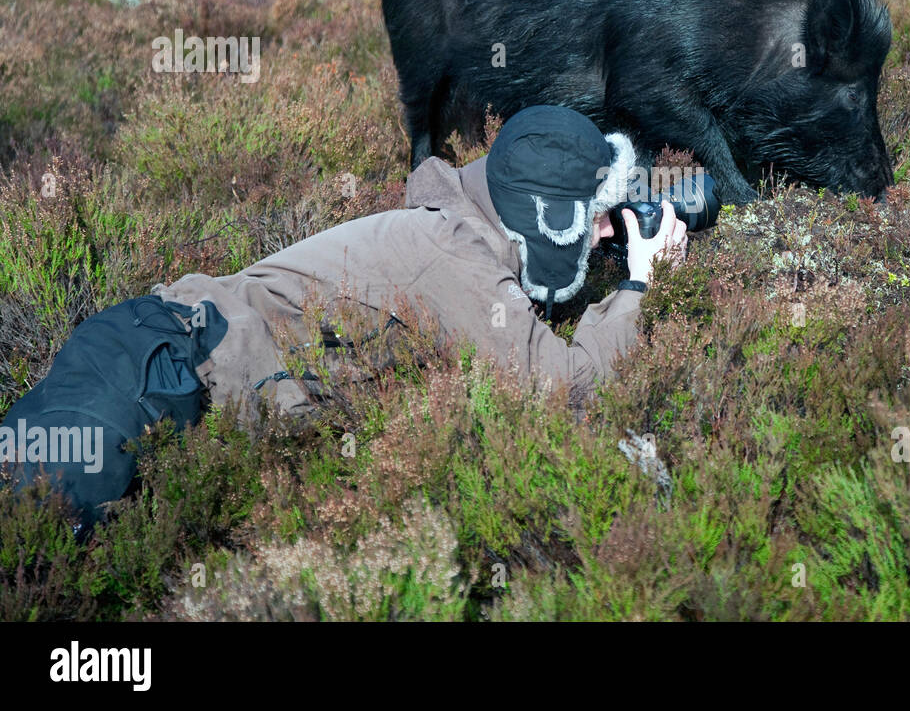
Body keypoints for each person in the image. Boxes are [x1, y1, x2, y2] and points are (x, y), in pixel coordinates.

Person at [1, 105, 688, 522]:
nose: (607, 233)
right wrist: (640, 286)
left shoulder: (459, 234)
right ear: (548, 217)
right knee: (31, 532)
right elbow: (567, 389)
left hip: (164, 367)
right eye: (597, 219)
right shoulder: (452, 255)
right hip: (153, 374)